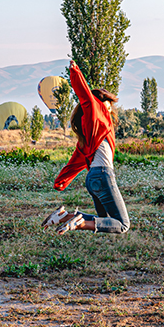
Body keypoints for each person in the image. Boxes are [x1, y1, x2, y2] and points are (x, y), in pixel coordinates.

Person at [42, 60, 130, 235]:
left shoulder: (87, 136)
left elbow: (76, 161)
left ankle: (65, 217)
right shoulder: (98, 116)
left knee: (104, 219)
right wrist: (75, 73)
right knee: (122, 224)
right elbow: (87, 98)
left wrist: (62, 181)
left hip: (92, 178)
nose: (110, 108)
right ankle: (78, 223)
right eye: (108, 104)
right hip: (103, 175)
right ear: (102, 103)